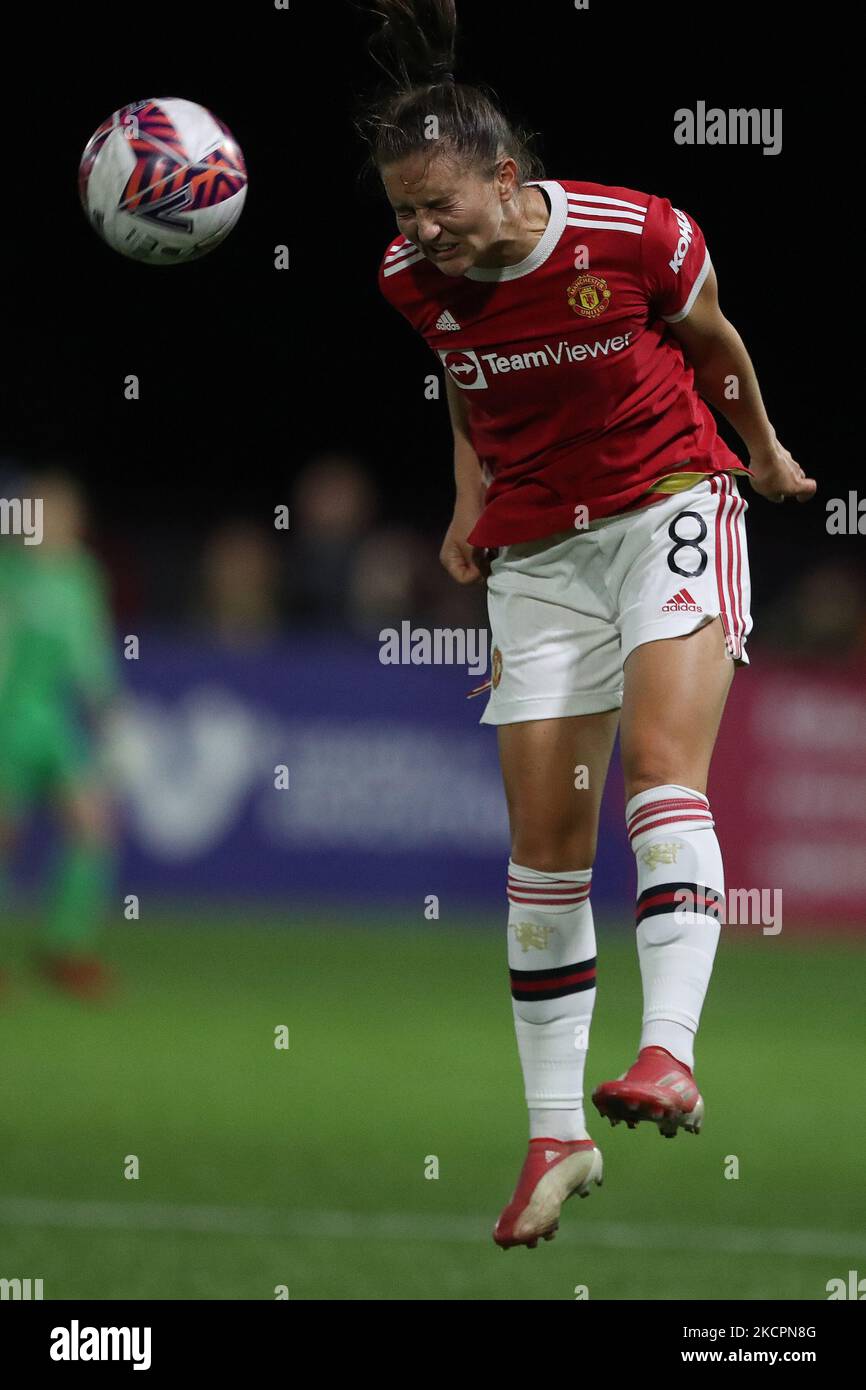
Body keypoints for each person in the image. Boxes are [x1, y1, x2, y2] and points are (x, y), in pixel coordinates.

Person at [362, 0, 816, 1249]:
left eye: (437, 204)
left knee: (661, 777)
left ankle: (667, 1052)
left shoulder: (637, 235)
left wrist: (764, 453)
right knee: (542, 851)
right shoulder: (412, 282)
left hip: (666, 505)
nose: (418, 230)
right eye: (401, 209)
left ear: (507, 179)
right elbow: (465, 380)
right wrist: (467, 503)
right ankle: (553, 1132)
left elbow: (713, 345)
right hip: (536, 559)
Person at [0, 469, 119, 999]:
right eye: (38, 510)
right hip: (6, 718)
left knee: (93, 825)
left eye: (59, 511)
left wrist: (109, 711)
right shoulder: (8, 574)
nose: (48, 522)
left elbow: (91, 653)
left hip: (53, 721)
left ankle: (65, 947)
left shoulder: (83, 576)